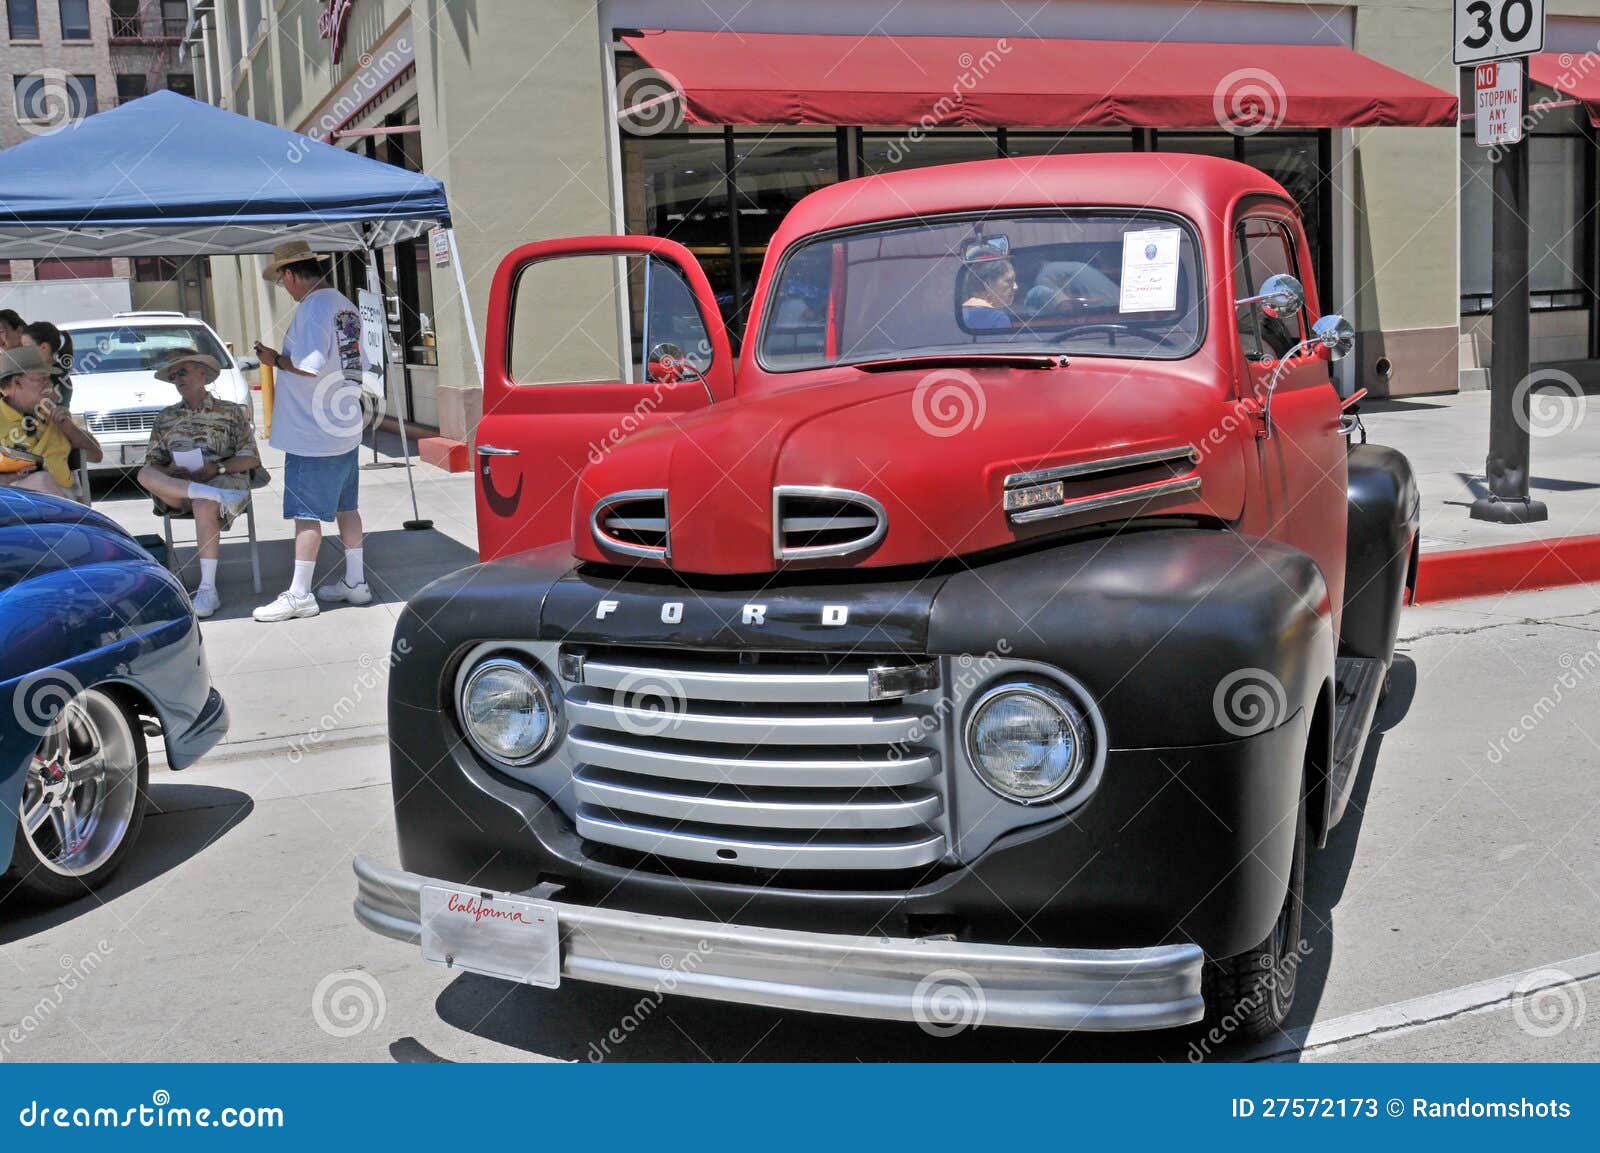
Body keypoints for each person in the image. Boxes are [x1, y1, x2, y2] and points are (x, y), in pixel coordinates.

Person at [251, 239, 370, 623]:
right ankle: (356, 582)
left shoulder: (315, 307)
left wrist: (273, 359)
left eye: (282, 281)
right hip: (344, 425)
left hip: (312, 431)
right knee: (347, 507)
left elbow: (308, 365)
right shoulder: (344, 305)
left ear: (290, 274)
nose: (284, 289)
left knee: (307, 515)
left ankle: (300, 593)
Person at [137, 350, 265, 619]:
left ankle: (208, 589)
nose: (177, 379)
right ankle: (209, 493)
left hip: (223, 483)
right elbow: (154, 461)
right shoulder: (166, 418)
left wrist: (216, 468)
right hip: (179, 488)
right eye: (173, 376)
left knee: (204, 503)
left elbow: (251, 458)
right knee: (144, 474)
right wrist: (170, 469)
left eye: (182, 372)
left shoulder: (230, 412)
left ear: (202, 374)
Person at [21, 320, 102, 464]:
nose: (22, 352)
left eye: (25, 347)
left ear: (44, 347)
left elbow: (51, 415)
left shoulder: (58, 377)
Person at [0, 345, 73, 498]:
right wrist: (17, 476)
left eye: (49, 379)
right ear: (17, 382)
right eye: (42, 379)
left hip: (62, 494)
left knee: (43, 480)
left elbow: (96, 455)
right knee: (41, 480)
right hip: (14, 497)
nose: (49, 384)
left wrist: (67, 426)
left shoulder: (53, 413)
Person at [960, 256, 1018, 330]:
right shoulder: (999, 319)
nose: (1016, 287)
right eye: (1009, 281)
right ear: (988, 284)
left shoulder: (958, 314)